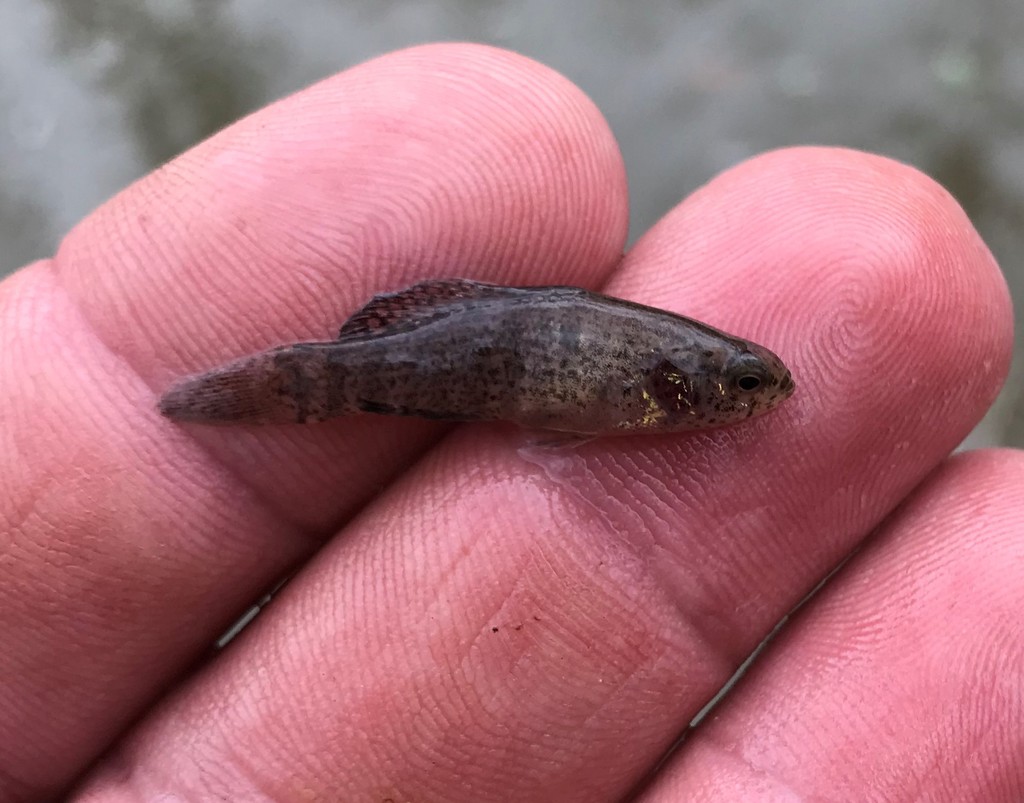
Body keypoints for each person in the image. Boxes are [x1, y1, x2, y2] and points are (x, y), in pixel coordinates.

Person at [0, 43, 1019, 802]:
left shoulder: (671, 383)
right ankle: (281, 389)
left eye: (747, 385)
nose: (758, 399)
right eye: (746, 386)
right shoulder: (666, 386)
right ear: (690, 386)